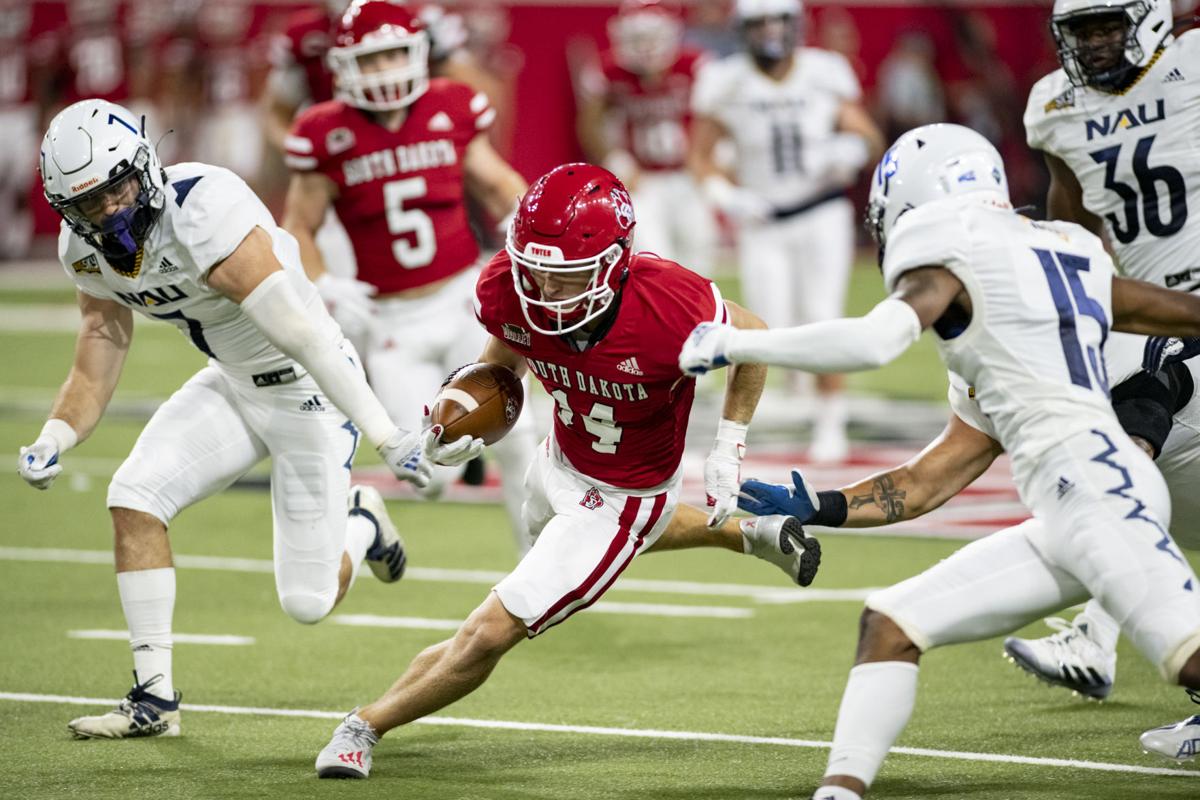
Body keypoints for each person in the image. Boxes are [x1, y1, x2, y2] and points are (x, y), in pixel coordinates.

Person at [678, 123, 1200, 797]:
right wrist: (822, 506)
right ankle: (838, 791)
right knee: (894, 621)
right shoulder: (1056, 258)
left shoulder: (953, 246)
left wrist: (738, 344)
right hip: (1077, 500)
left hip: (1095, 490)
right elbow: (931, 478)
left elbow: (871, 342)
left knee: (1189, 659)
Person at [311, 163, 821, 778]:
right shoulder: (514, 287)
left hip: (624, 496)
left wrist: (729, 442)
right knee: (554, 553)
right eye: (537, 273)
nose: (546, 293)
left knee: (491, 630)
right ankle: (749, 535)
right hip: (558, 457)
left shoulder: (669, 303)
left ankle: (364, 725)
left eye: (565, 277)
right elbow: (507, 354)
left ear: (615, 263)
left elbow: (755, 338)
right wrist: (466, 414)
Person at [21, 97, 452, 740]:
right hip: (232, 382)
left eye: (115, 190)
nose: (109, 212)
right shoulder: (82, 249)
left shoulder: (204, 210)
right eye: (87, 205)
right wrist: (54, 434)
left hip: (307, 383)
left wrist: (386, 435)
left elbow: (304, 335)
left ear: (144, 164)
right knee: (134, 497)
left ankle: (361, 522)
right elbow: (98, 350)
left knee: (307, 603)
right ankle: (154, 701)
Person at [280, 0, 537, 551]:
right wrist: (324, 283)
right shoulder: (325, 132)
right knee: (428, 477)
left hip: (464, 305)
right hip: (393, 321)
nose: (387, 69)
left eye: (396, 53)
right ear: (346, 66)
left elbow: (498, 184)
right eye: (373, 59)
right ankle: (434, 478)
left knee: (523, 436)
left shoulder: (451, 106)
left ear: (419, 53)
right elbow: (298, 226)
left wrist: (527, 224)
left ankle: (536, 569)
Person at [1016, 0, 1200, 736]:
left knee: (1128, 462)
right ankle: (1099, 636)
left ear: (1151, 19)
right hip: (1154, 315)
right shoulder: (1053, 107)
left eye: (1108, 25)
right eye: (1081, 29)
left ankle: (1097, 635)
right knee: (1116, 472)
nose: (1094, 43)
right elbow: (1074, 228)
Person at [689, 0, 884, 463]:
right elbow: (699, 155)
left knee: (821, 313)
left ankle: (830, 420)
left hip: (820, 212)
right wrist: (725, 195)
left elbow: (868, 135)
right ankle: (745, 424)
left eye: (779, 22)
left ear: (796, 26)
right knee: (762, 324)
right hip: (764, 219)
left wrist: (850, 149)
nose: (770, 33)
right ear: (742, 31)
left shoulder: (823, 72)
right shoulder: (726, 81)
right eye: (759, 24)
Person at [576, 0, 716, 274]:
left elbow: (714, 119)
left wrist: (706, 158)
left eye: (653, 37)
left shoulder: (695, 65)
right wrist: (617, 161)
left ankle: (702, 314)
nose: (646, 46)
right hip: (643, 179)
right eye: (638, 38)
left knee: (700, 253)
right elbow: (589, 123)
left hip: (687, 175)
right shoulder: (609, 71)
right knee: (654, 257)